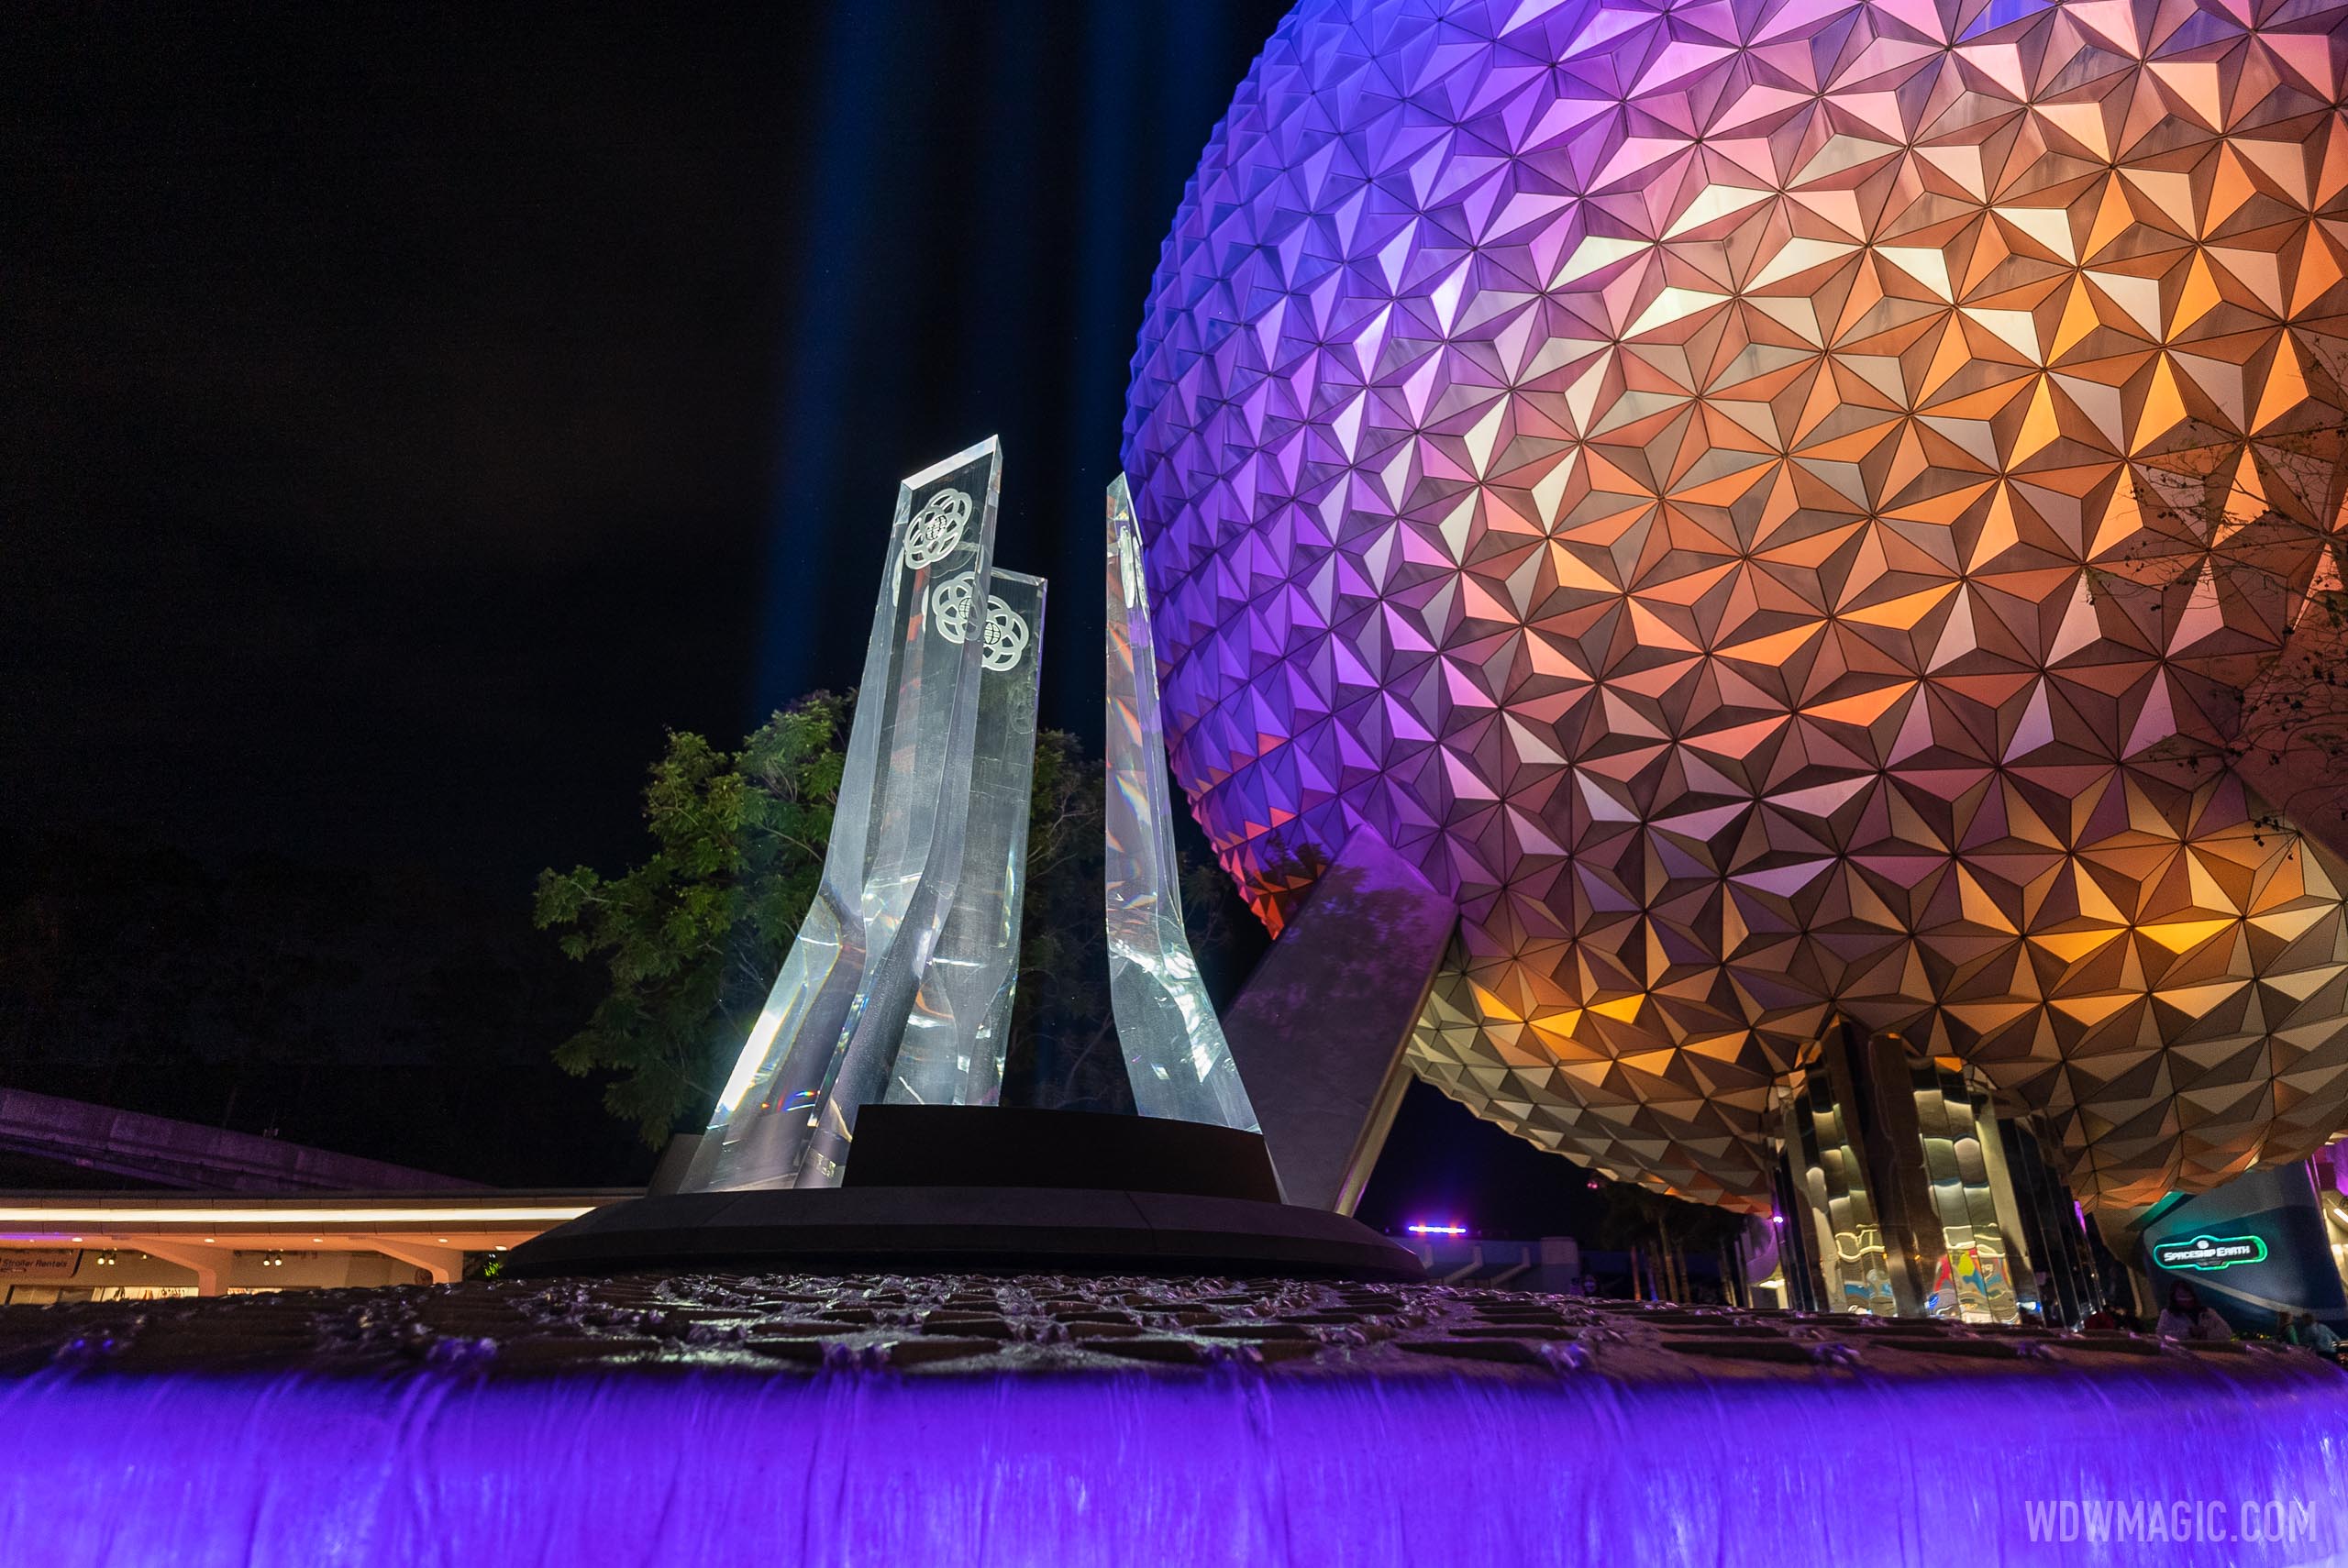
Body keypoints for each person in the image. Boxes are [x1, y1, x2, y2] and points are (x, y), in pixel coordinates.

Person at [2155, 1282, 2233, 1342]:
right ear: (2174, 1297)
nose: (2186, 1299)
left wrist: (2206, 1335)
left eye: (2188, 1295)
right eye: (2181, 1296)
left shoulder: (2207, 1312)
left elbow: (2227, 1332)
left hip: (2210, 1354)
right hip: (2182, 1356)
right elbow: (2162, 1336)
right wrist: (2189, 1332)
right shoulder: (2168, 1314)